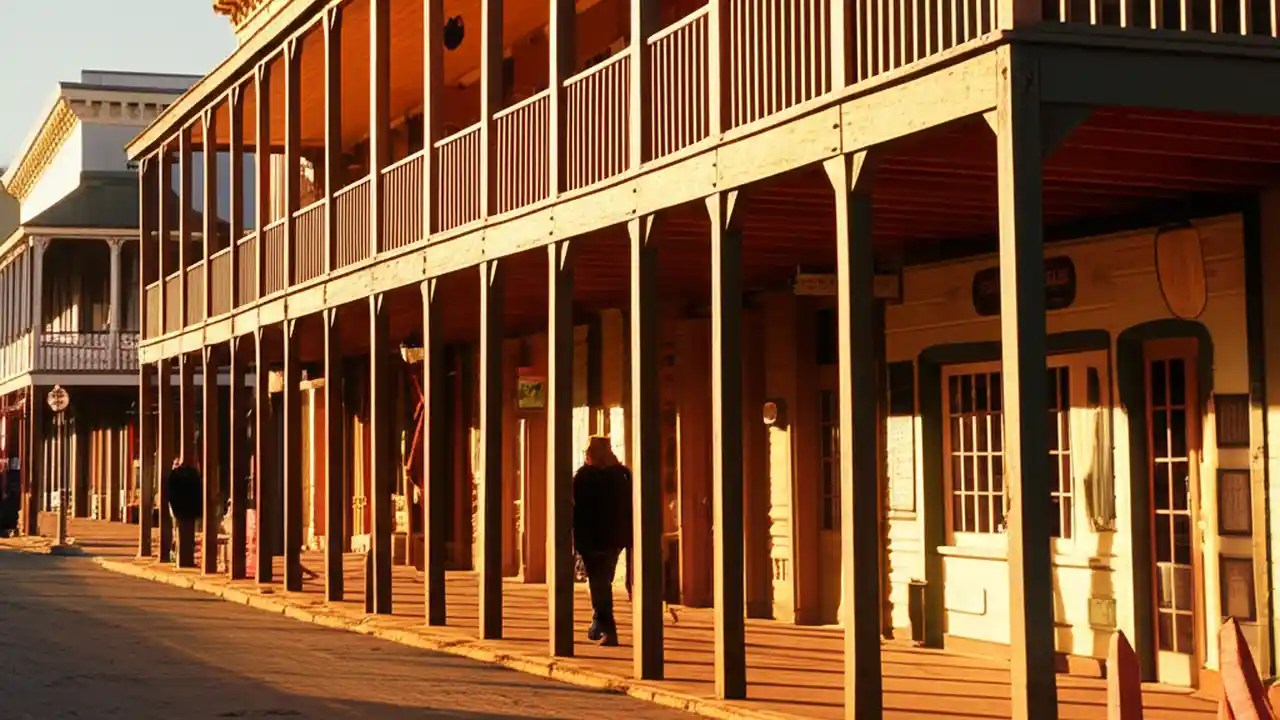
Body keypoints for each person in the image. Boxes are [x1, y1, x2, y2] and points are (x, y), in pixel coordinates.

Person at [572, 436, 632, 646]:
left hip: (592, 540)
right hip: (613, 539)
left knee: (598, 583)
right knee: (602, 582)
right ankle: (602, 624)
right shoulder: (622, 475)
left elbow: (575, 509)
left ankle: (603, 623)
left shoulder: (584, 476)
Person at [166, 457, 202, 568]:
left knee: (180, 530)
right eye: (175, 464)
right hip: (184, 510)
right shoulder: (189, 476)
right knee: (177, 529)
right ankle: (177, 554)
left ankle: (179, 555)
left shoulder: (177, 477)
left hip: (183, 510)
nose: (177, 466)